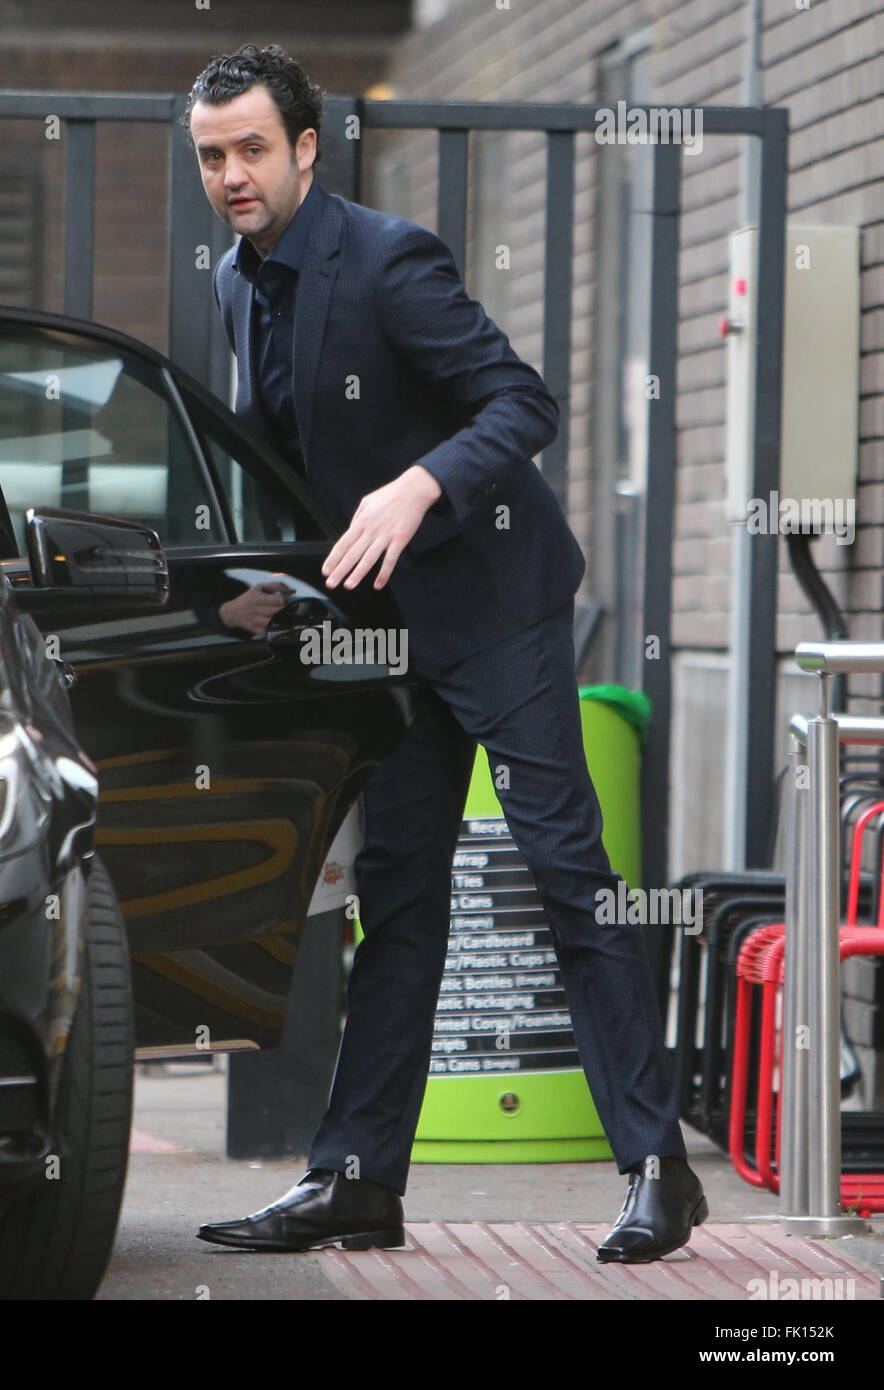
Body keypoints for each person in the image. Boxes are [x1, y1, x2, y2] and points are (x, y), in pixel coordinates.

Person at [187, 43, 706, 1264]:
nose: (231, 175)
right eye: (210, 156)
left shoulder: (388, 259)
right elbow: (281, 458)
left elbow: (521, 402)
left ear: (304, 148)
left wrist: (418, 486)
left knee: (566, 875)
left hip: (493, 608)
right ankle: (356, 1180)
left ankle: (657, 1168)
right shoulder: (236, 281)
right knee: (399, 899)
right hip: (385, 637)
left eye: (252, 148)